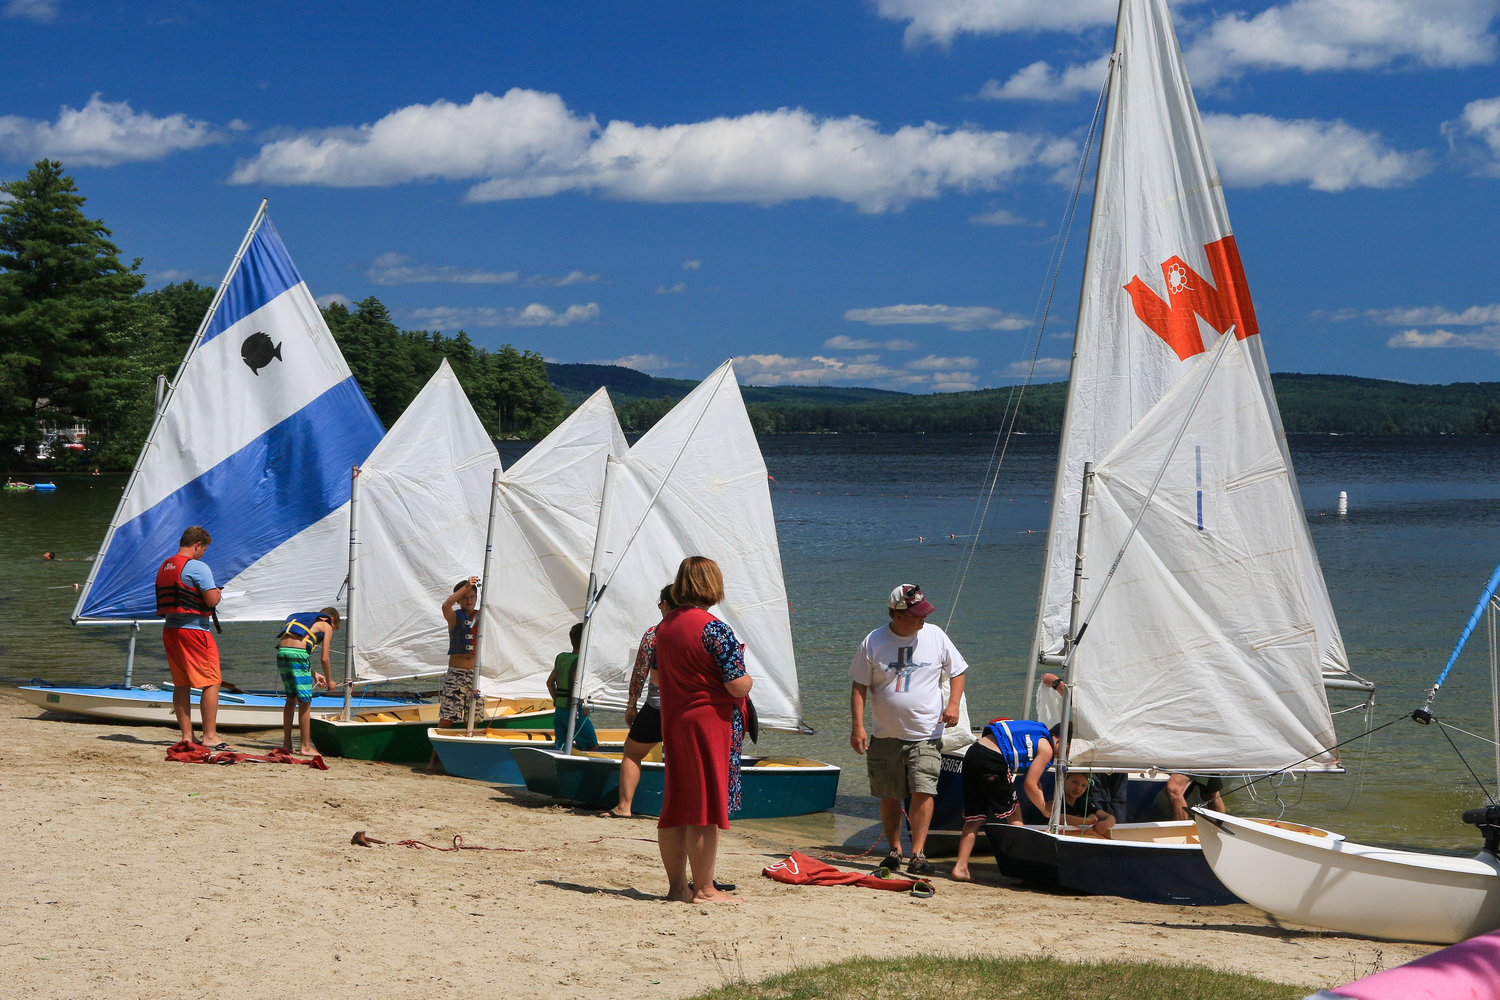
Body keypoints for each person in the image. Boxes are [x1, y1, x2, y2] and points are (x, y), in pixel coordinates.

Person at [849, 583, 967, 878]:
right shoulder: (873, 641)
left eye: (924, 613)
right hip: (885, 734)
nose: (922, 619)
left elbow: (958, 670)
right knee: (889, 795)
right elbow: (859, 685)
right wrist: (857, 727)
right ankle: (893, 851)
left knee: (923, 790)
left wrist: (953, 704)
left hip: (927, 732)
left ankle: (917, 853)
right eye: (916, 614)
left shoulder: (936, 635)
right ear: (897, 614)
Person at [655, 555, 751, 903]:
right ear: (712, 585)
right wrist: (749, 678)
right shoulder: (713, 628)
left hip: (676, 720)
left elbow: (656, 675)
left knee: (677, 804)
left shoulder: (664, 627)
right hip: (710, 723)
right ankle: (706, 889)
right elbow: (738, 685)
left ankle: (678, 887)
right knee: (704, 809)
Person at [600, 585, 674, 819]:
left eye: (660, 603)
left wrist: (631, 704)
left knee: (632, 752)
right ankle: (678, 811)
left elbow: (640, 671)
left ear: (666, 604)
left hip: (657, 707)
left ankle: (624, 807)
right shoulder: (699, 631)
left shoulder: (655, 633)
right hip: (689, 708)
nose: (660, 607)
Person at [950, 717, 1055, 882]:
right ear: (1061, 741)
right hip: (992, 759)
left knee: (974, 818)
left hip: (974, 752)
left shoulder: (1037, 734)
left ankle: (961, 867)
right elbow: (1030, 784)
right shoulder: (1047, 748)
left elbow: (1035, 779)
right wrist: (1043, 808)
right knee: (1014, 816)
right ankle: (1021, 870)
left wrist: (1042, 802)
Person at [155, 525, 225, 748]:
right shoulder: (197, 567)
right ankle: (210, 736)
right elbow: (211, 601)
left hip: (171, 631)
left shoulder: (166, 565)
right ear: (197, 545)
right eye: (203, 549)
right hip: (194, 631)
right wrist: (218, 593)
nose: (203, 554)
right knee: (212, 682)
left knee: (182, 684)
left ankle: (187, 736)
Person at [425, 576, 480, 773]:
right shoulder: (454, 616)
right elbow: (445, 604)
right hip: (456, 674)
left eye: (472, 597)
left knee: (472, 720)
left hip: (474, 675)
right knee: (447, 719)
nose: (469, 600)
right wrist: (466, 586)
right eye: (465, 597)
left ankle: (468, 761)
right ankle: (433, 761)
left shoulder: (481, 616)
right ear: (459, 599)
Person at [275, 607, 339, 756]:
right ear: (332, 620)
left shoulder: (308, 620)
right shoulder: (327, 625)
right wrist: (330, 682)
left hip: (282, 653)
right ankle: (305, 746)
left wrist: (314, 674)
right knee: (305, 701)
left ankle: (287, 744)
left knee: (291, 699)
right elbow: (324, 658)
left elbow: (292, 651)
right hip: (298, 654)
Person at [547, 621, 599, 751]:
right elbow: (577, 683)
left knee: (562, 747)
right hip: (576, 712)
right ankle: (584, 771)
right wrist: (584, 703)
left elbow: (549, 683)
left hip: (559, 712)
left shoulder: (562, 658)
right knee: (592, 746)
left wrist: (557, 700)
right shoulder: (581, 662)